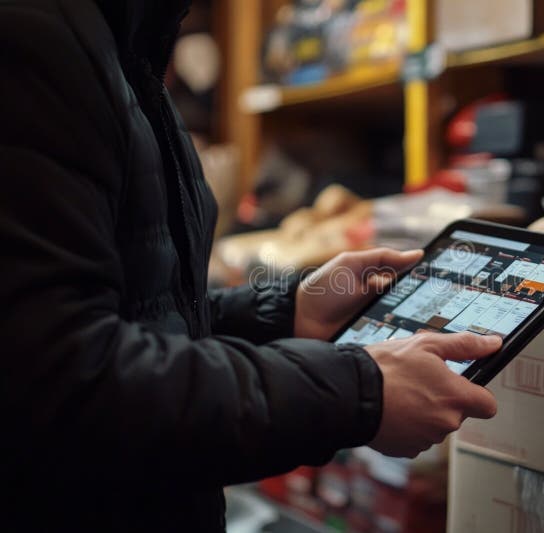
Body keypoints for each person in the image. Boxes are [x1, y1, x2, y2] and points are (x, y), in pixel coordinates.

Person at [0, 0, 499, 531]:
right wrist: (356, 396)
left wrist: (285, 314)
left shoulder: (119, 41)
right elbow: (61, 382)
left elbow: (135, 316)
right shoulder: (34, 33)